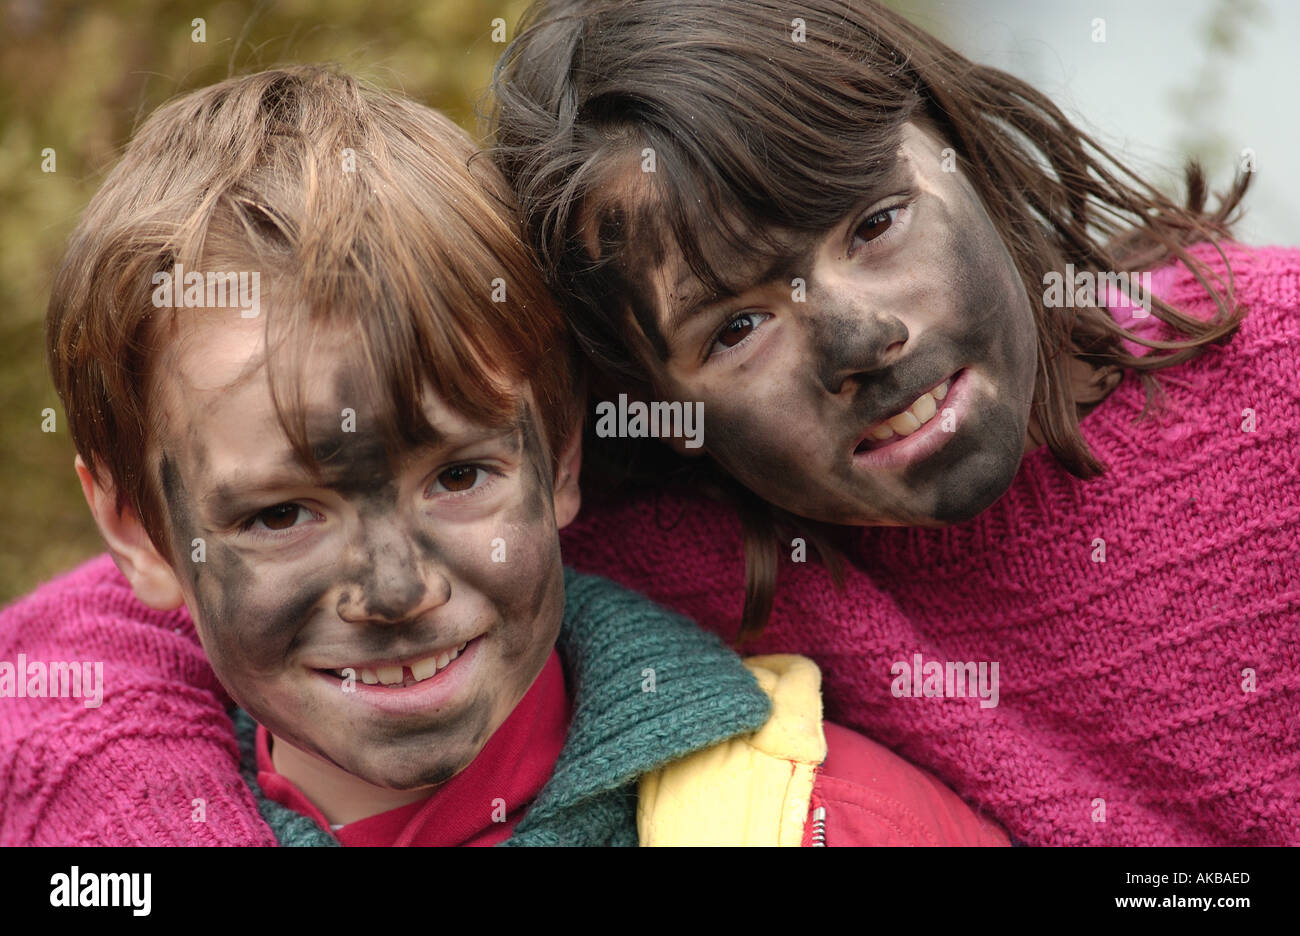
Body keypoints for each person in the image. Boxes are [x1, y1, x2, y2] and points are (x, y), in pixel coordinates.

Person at [0, 65, 1008, 847]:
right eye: (279, 515)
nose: (392, 591)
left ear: (563, 455)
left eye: (457, 476)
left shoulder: (839, 826)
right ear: (138, 531)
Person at [487, 0, 1300, 844]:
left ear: (963, 151)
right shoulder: (659, 572)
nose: (861, 341)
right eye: (736, 328)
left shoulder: (1278, 379)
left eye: (875, 223)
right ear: (657, 411)